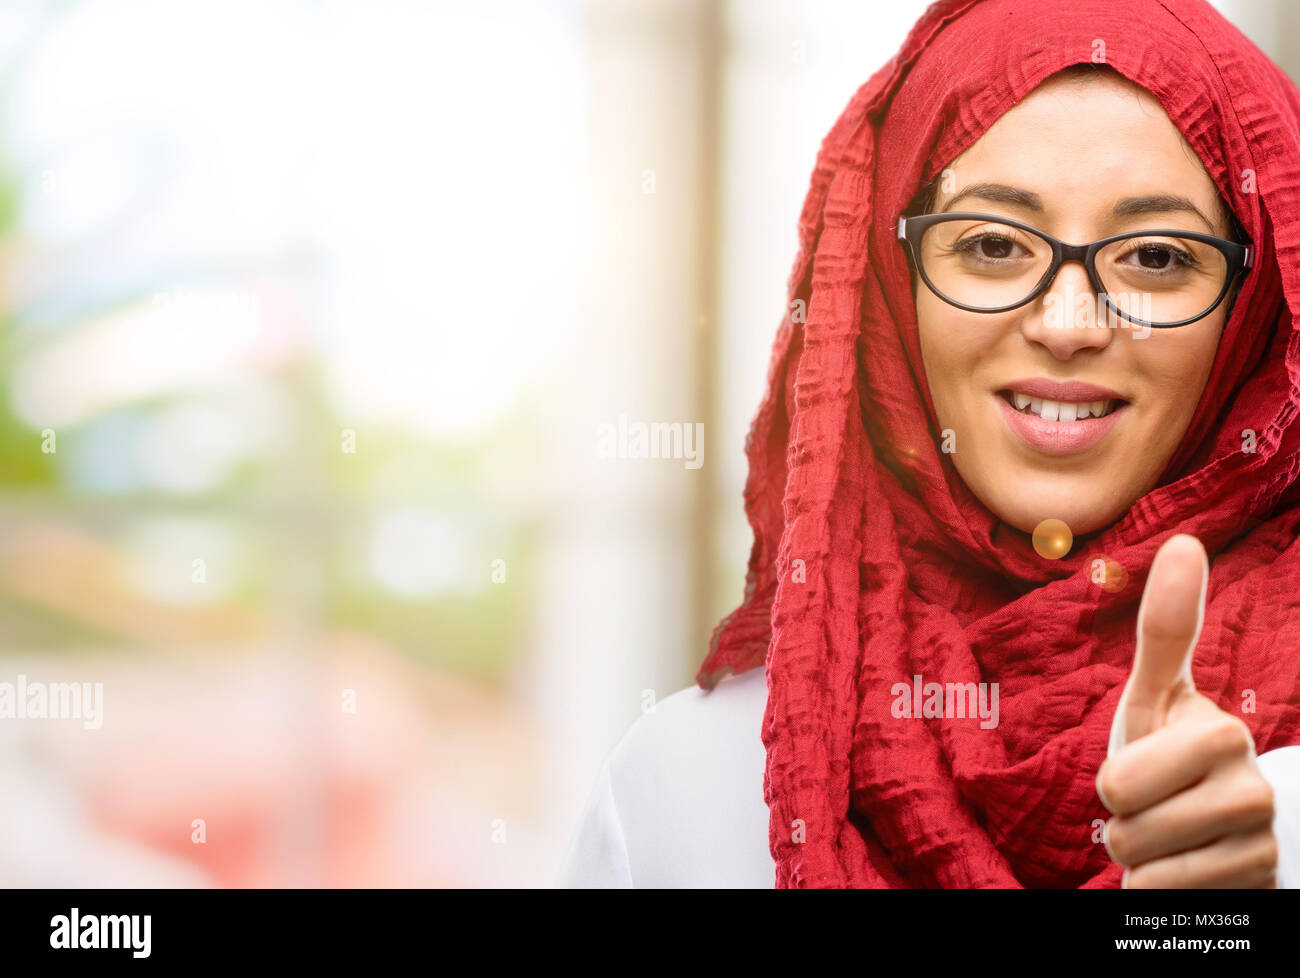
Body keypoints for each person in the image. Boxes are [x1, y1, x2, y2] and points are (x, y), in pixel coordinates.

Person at [560, 0, 1300, 888]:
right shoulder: (683, 790)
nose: (1067, 324)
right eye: (991, 243)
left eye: (1156, 257)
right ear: (886, 287)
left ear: (1256, 317)